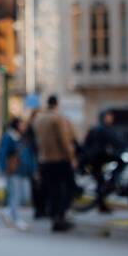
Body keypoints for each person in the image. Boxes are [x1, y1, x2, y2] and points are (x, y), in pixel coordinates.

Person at [31, 95, 76, 232]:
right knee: (66, 189)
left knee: (52, 189)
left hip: (44, 159)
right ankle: (59, 218)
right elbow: (63, 140)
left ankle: (53, 216)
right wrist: (71, 156)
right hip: (59, 159)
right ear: (57, 104)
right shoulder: (56, 118)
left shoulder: (38, 119)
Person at [80, 110, 121, 213]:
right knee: (101, 182)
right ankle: (101, 204)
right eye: (108, 117)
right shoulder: (103, 129)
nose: (111, 119)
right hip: (97, 159)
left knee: (100, 182)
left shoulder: (96, 129)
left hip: (95, 158)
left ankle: (101, 204)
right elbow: (116, 141)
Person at [0, 117, 33, 230]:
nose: (24, 126)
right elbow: (3, 152)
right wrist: (4, 168)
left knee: (24, 195)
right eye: (22, 124)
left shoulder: (22, 137)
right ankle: (16, 219)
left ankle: (8, 211)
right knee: (15, 195)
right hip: (13, 171)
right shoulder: (10, 136)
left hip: (23, 170)